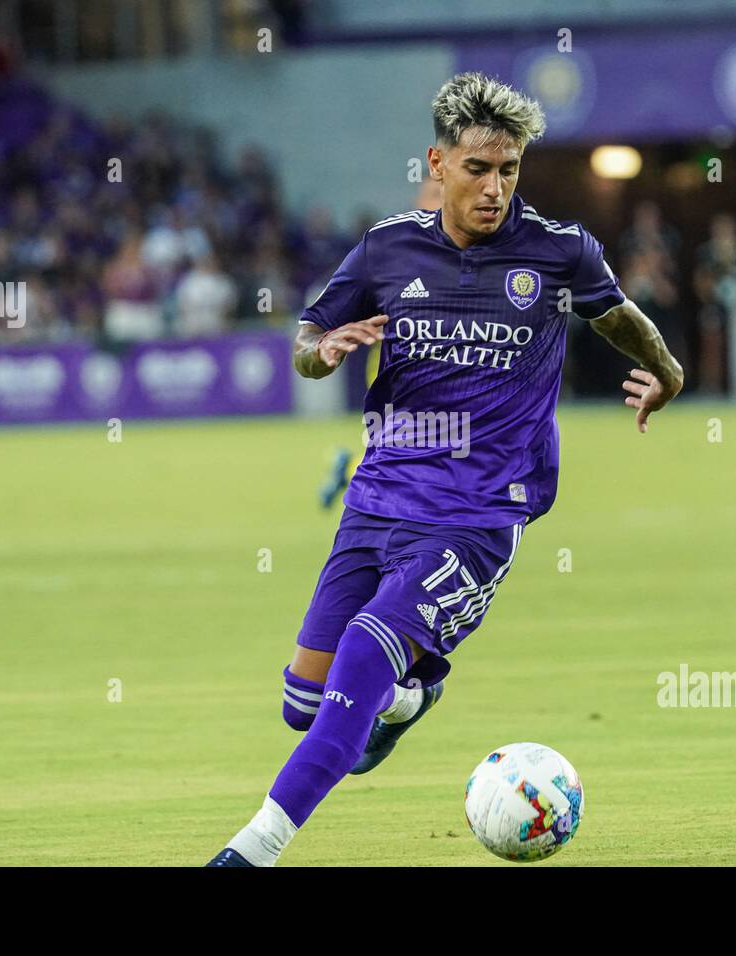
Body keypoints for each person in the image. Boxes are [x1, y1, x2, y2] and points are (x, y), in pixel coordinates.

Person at [207, 72, 683, 866]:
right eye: (477, 169)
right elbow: (306, 340)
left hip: (477, 513)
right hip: (380, 495)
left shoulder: (559, 251)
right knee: (305, 707)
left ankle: (251, 852)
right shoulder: (386, 247)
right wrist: (321, 354)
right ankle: (406, 698)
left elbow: (619, 315)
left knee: (363, 651)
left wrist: (665, 370)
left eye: (509, 170)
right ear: (438, 163)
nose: (495, 188)